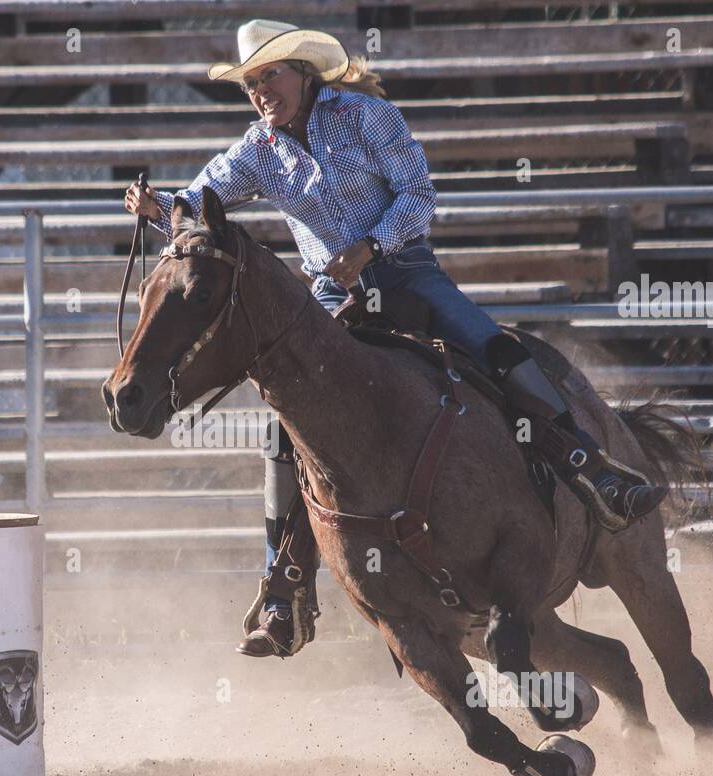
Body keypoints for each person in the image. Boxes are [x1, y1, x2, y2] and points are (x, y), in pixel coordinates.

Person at [123, 19, 667, 658]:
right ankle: (285, 583)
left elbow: (417, 195)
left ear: (303, 72)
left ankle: (590, 466)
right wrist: (159, 207)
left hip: (404, 269)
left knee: (489, 346)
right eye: (250, 82)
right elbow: (199, 200)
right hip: (330, 300)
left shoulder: (365, 115)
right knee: (286, 427)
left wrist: (370, 246)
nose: (260, 90)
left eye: (269, 75)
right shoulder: (258, 148)